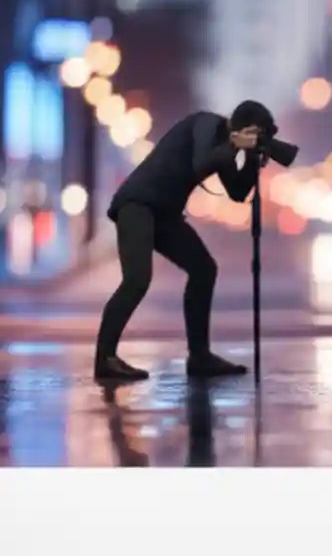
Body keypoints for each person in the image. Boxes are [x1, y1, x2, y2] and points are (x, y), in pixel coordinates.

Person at [93, 100, 273, 381]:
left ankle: (199, 356)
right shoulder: (206, 124)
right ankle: (105, 358)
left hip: (164, 212)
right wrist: (234, 145)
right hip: (137, 205)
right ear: (242, 128)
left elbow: (237, 192)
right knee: (137, 280)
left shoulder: (226, 147)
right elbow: (201, 162)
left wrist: (250, 160)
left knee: (204, 269)